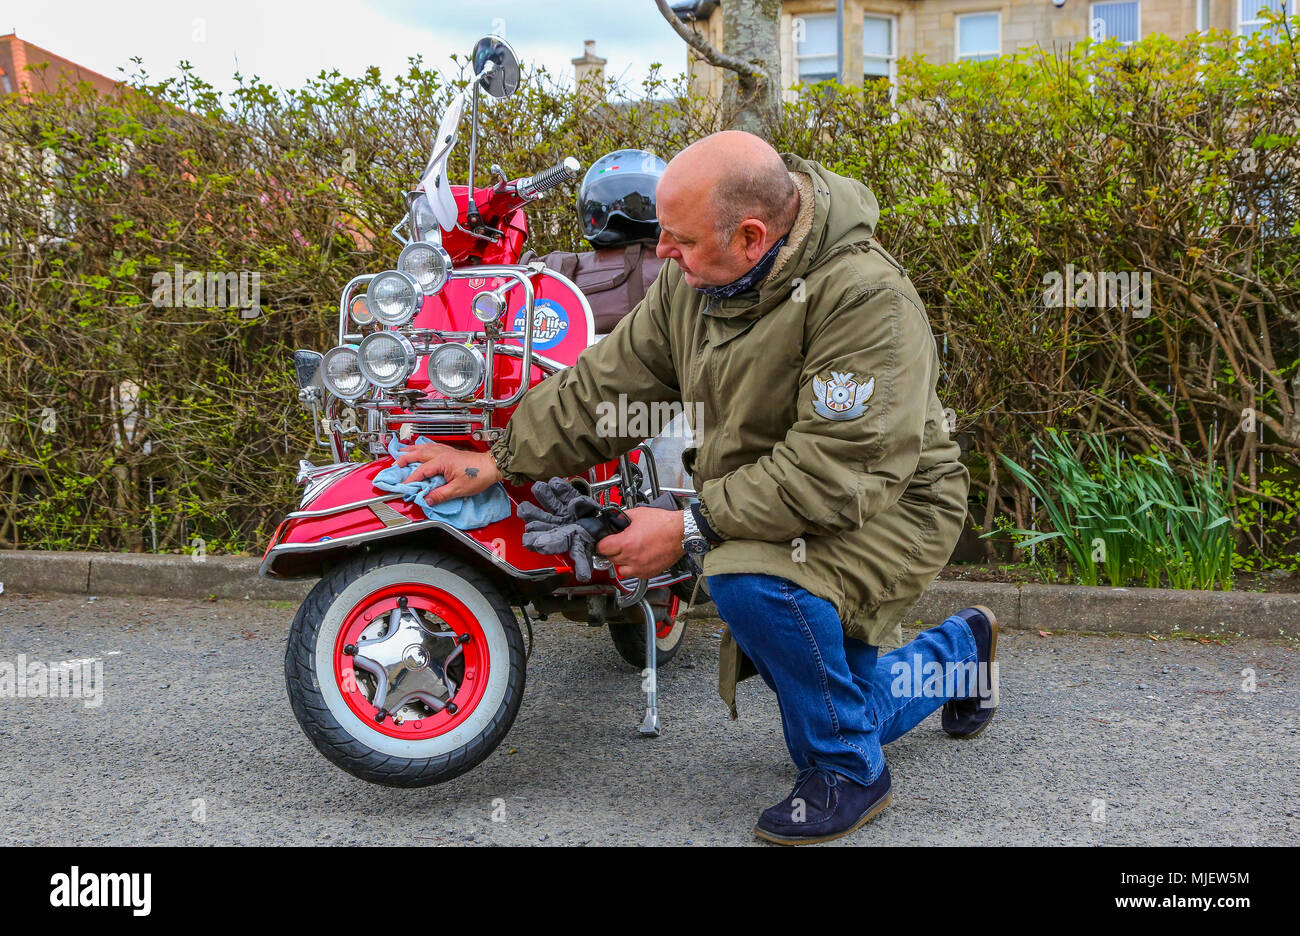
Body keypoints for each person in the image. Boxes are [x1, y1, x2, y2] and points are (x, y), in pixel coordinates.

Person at [396, 130, 999, 845]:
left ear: (751, 236)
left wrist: (686, 529)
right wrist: (499, 457)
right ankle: (961, 651)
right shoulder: (696, 284)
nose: (663, 256)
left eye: (678, 241)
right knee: (835, 690)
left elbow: (838, 469)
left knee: (748, 580)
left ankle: (848, 770)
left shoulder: (865, 299)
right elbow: (608, 385)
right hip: (781, 496)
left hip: (889, 500)